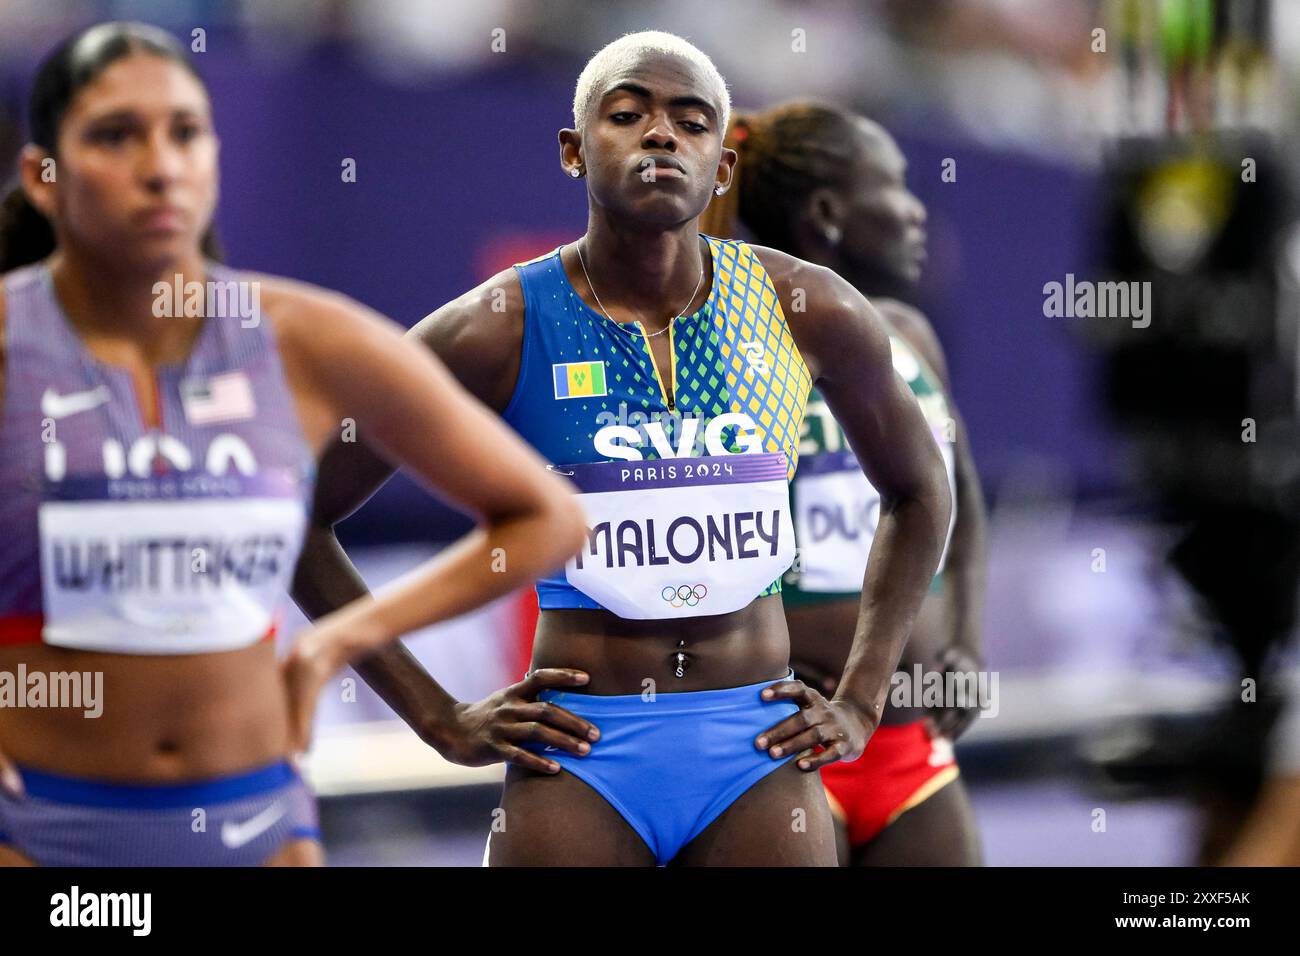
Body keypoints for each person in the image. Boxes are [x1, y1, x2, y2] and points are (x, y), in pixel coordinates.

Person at [293, 31, 952, 867]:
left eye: (690, 120)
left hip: (755, 752)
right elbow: (301, 519)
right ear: (574, 151)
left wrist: (860, 698)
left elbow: (921, 491)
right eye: (628, 113)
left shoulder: (804, 308)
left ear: (721, 167)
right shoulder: (497, 325)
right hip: (582, 754)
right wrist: (438, 716)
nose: (660, 135)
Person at [0, 21, 585, 867]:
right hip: (43, 831)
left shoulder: (305, 339)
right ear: (42, 176)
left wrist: (358, 659)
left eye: (186, 133)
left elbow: (545, 518)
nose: (160, 166)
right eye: (116, 136)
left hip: (254, 825)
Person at [701, 101, 986, 865]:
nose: (918, 211)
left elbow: (958, 509)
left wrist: (962, 641)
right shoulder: (725, 349)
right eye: (895, 187)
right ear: (828, 212)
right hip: (783, 742)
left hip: (908, 743)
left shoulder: (912, 337)